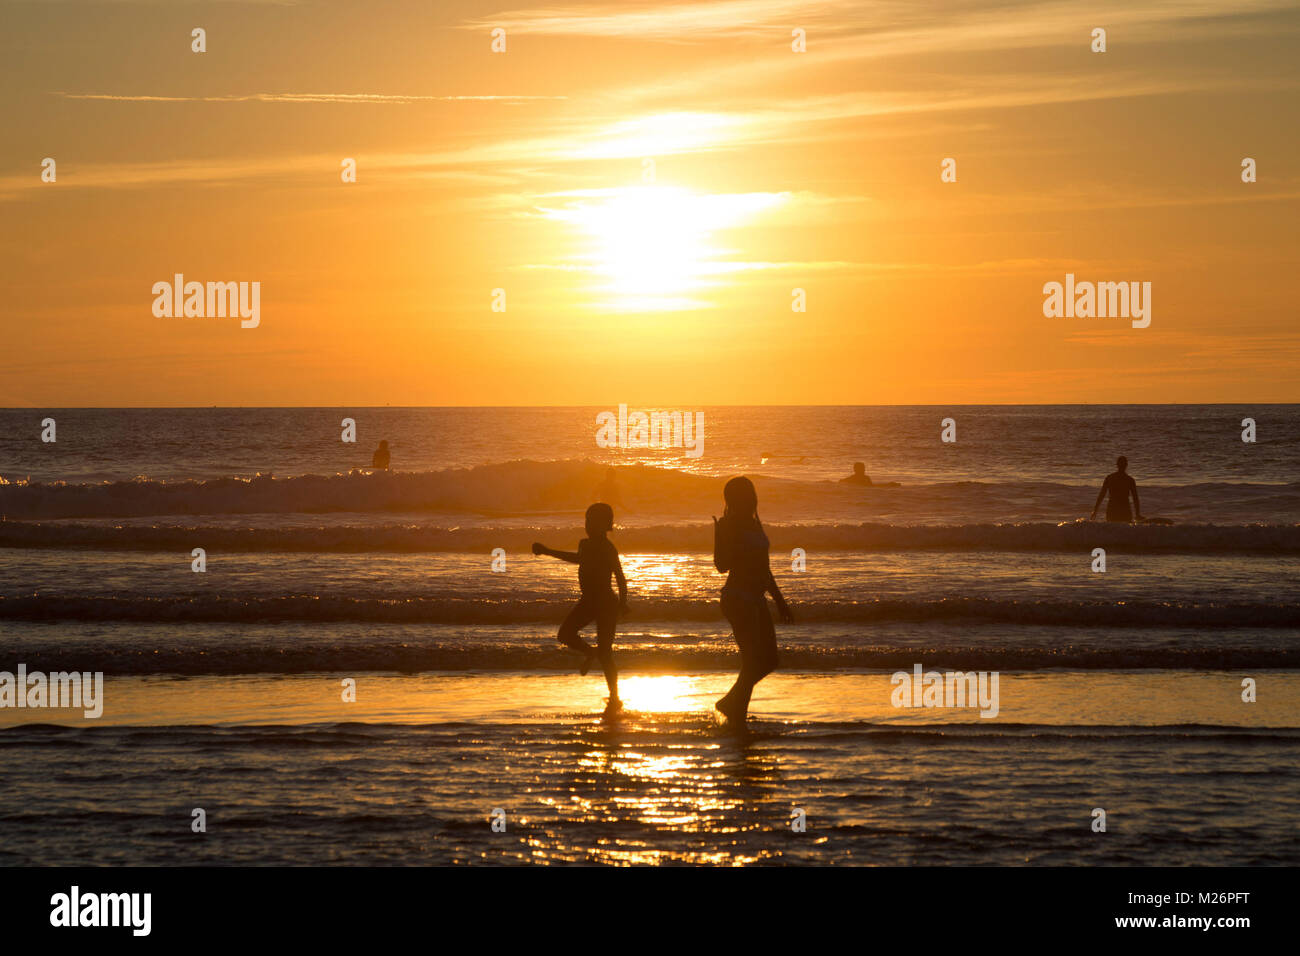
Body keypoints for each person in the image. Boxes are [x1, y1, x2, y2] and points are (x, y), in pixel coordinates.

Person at [533, 503, 629, 713]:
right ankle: (590, 653)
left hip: (606, 603)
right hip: (588, 601)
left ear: (604, 525)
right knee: (565, 634)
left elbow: (621, 578)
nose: (586, 525)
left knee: (606, 654)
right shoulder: (584, 544)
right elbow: (577, 559)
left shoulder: (607, 548)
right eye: (586, 521)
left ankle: (615, 698)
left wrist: (623, 603)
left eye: (591, 521)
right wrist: (548, 551)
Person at [712, 476, 792, 725]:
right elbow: (721, 565)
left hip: (757, 599)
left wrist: (779, 600)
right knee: (752, 662)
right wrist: (722, 535)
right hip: (737, 598)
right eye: (745, 495)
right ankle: (737, 716)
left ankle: (730, 703)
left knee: (769, 660)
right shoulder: (729, 524)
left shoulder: (755, 523)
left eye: (751, 493)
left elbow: (765, 568)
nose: (750, 498)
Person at [1091, 455, 1143, 523]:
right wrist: (1137, 514)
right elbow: (1135, 498)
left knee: (1112, 531)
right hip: (1125, 510)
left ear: (1117, 465)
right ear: (1126, 465)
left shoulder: (1109, 478)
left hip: (1112, 510)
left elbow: (1101, 495)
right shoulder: (1130, 480)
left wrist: (1095, 511)